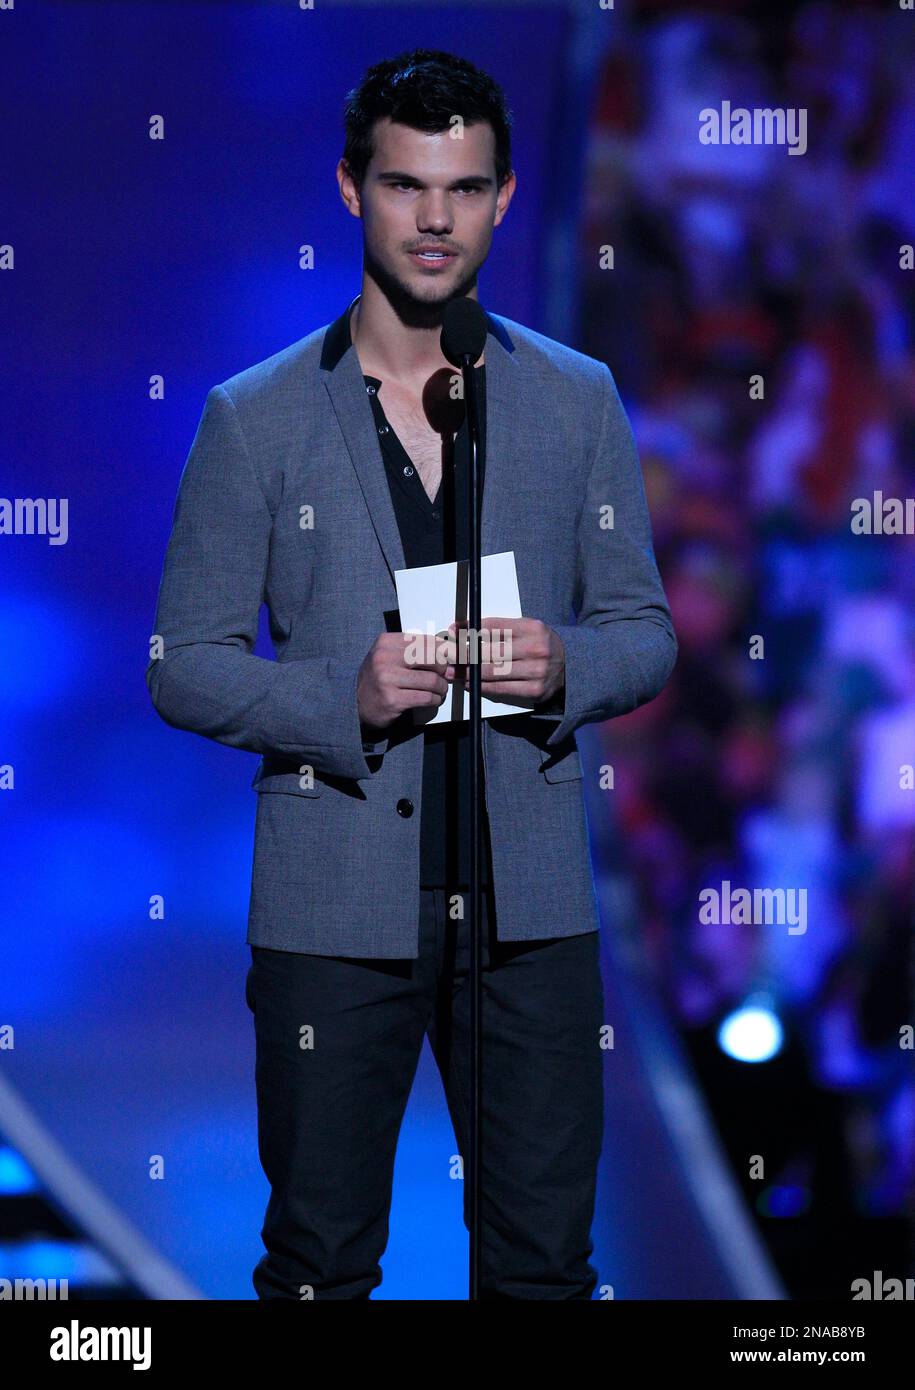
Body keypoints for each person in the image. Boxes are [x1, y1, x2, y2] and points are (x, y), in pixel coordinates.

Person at [146, 49, 677, 1300]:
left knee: (543, 1269)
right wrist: (344, 695)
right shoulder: (255, 416)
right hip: (337, 911)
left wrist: (565, 662)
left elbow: (645, 630)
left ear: (503, 198)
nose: (435, 219)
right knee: (322, 1264)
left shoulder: (575, 399)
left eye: (464, 187)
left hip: (530, 915)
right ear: (350, 190)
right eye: (404, 185)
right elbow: (185, 665)